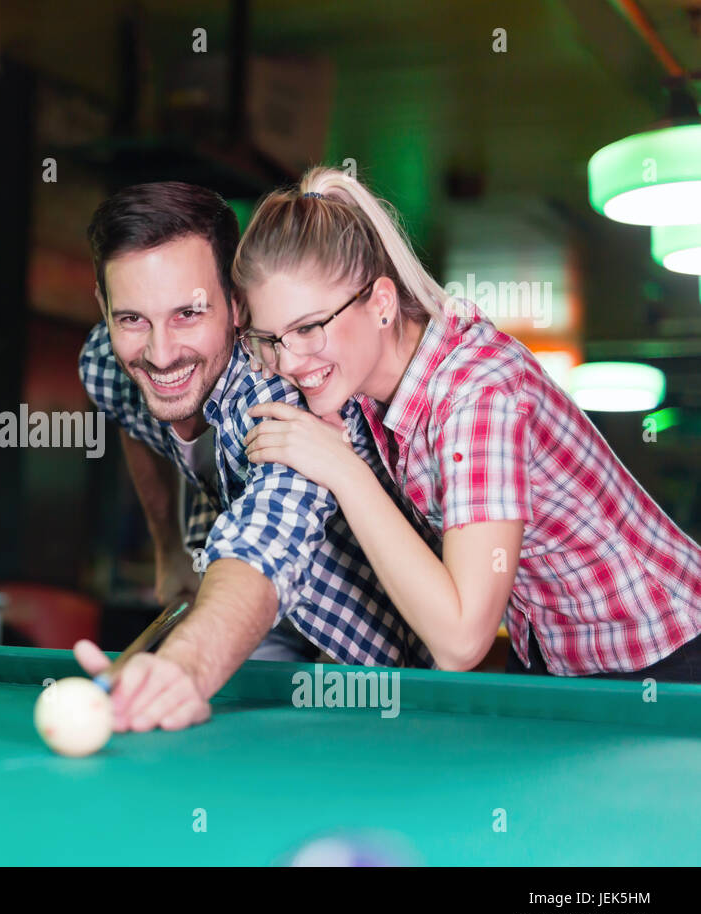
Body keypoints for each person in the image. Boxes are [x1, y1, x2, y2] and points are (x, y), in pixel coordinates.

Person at [236, 166, 701, 680]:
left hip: (670, 650)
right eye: (270, 339)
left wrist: (344, 472)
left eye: (309, 327)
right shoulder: (368, 379)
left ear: (383, 304)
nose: (292, 360)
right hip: (555, 654)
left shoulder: (477, 394)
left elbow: (461, 643)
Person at [74, 181, 435, 734]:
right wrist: (169, 549)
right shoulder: (107, 363)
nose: (160, 353)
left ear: (237, 305)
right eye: (132, 320)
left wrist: (187, 667)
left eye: (188, 314)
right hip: (257, 627)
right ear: (104, 308)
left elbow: (266, 536)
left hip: (375, 661)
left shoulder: (280, 389)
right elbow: (135, 422)